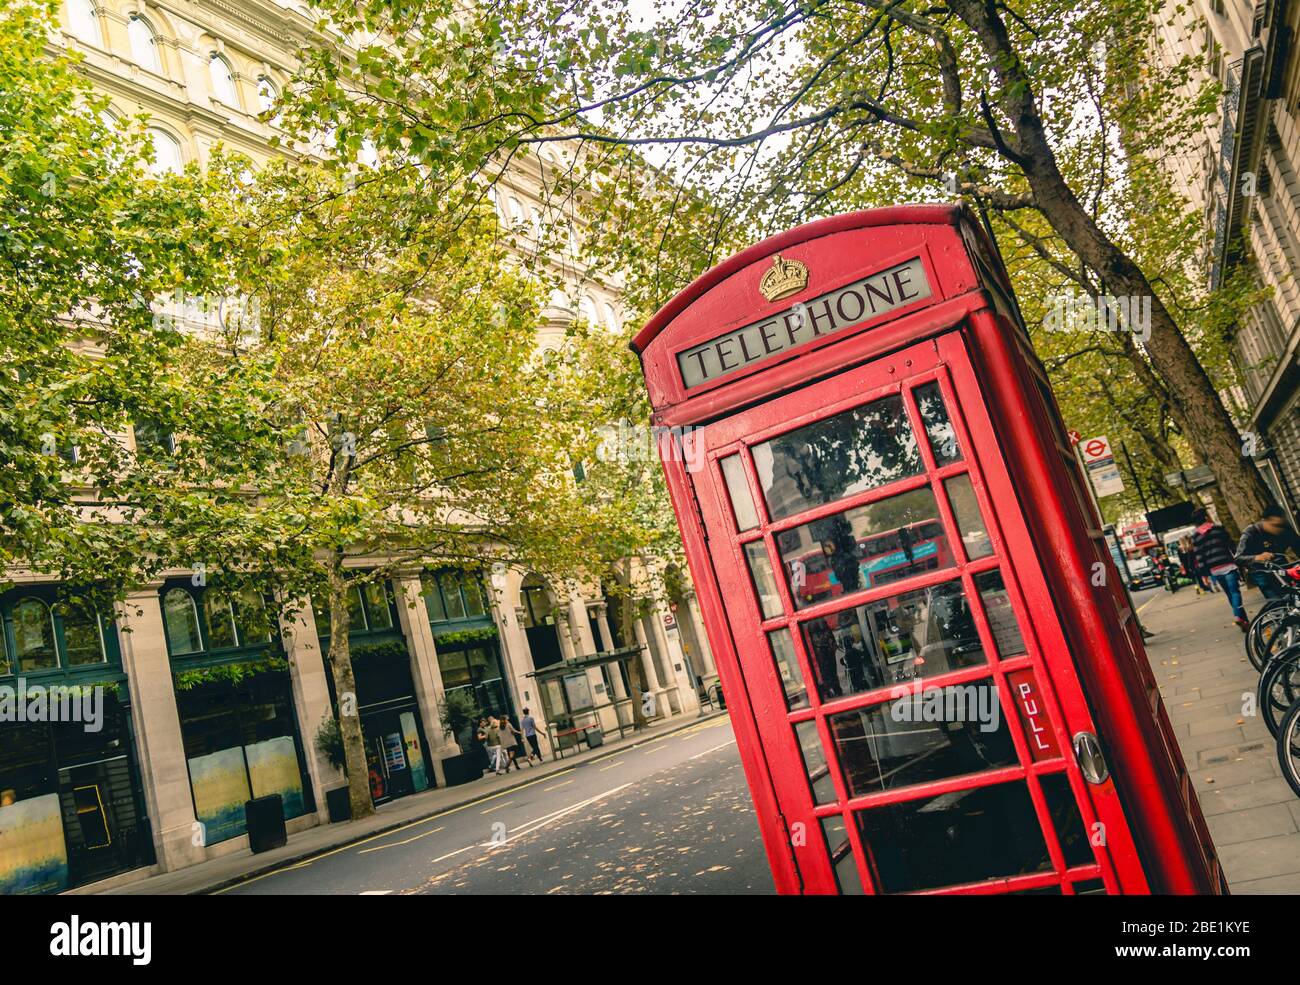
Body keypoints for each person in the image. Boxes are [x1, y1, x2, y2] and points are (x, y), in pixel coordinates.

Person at [1192, 508, 1248, 630]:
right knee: (1235, 592)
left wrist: (1204, 575)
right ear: (1206, 517)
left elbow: (1199, 557)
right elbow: (1231, 545)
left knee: (1230, 594)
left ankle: (1244, 622)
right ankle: (1239, 617)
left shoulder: (1196, 536)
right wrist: (1239, 559)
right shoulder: (1218, 529)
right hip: (1228, 564)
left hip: (1214, 569)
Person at [1236, 504, 1300, 600]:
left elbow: (1297, 545)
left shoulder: (1284, 528)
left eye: (1281, 525)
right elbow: (1238, 559)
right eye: (1275, 525)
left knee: (1291, 595)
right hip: (1260, 571)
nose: (1279, 529)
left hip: (1280, 565)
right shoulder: (1250, 533)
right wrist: (1257, 557)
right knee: (1275, 600)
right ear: (1264, 520)